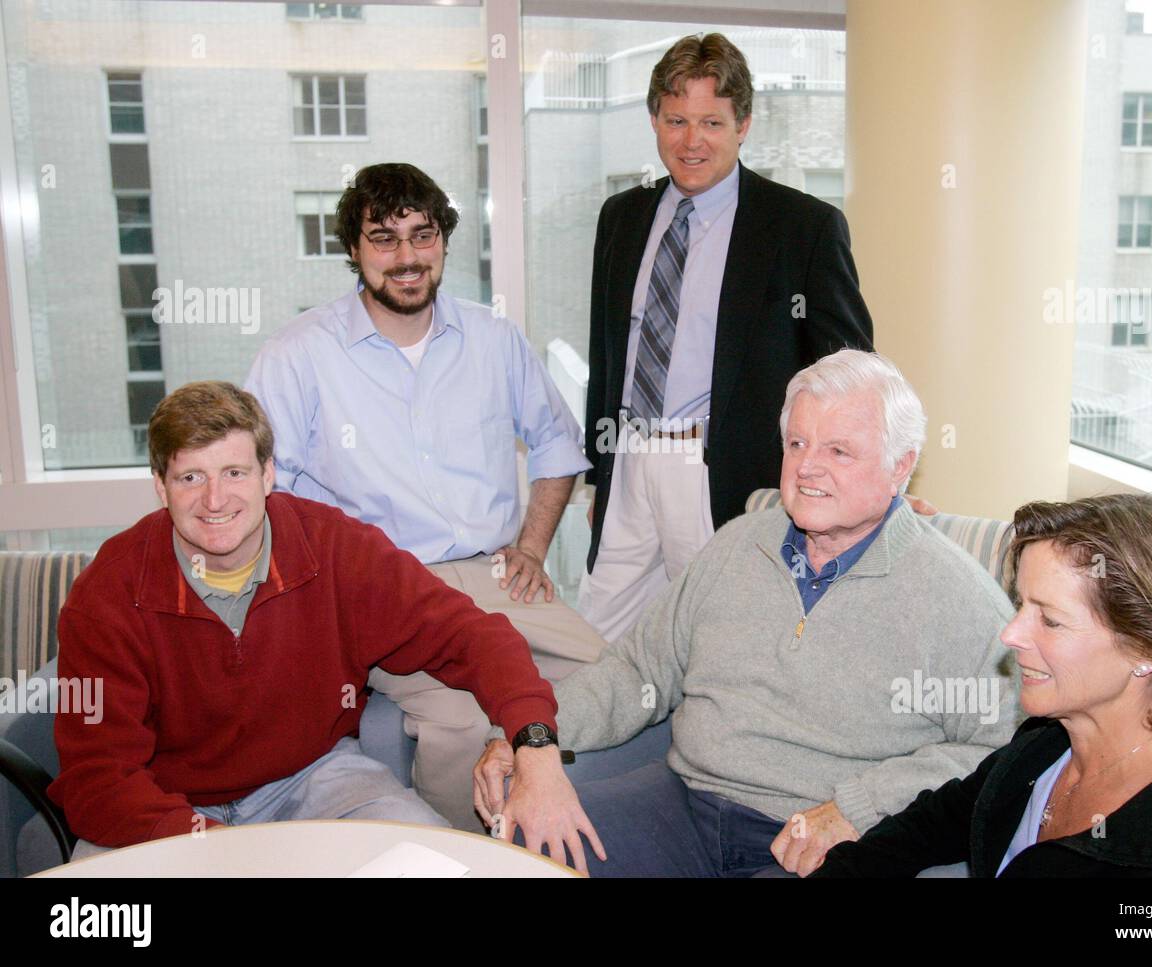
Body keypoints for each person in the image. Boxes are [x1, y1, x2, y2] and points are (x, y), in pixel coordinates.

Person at [477, 350, 1016, 876]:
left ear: (901, 466)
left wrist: (861, 805)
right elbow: (636, 671)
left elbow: (1004, 753)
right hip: (683, 806)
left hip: (815, 843)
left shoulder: (956, 597)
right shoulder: (736, 546)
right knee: (519, 852)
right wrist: (532, 734)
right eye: (798, 443)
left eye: (838, 451)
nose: (808, 468)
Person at [48, 382, 599, 867]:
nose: (214, 500)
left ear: (268, 475)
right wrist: (220, 849)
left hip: (316, 780)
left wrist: (535, 745)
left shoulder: (333, 547)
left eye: (234, 472)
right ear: (160, 487)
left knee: (433, 862)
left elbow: (472, 635)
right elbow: (98, 780)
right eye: (191, 477)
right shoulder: (107, 593)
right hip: (162, 808)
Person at [245, 163, 605, 832]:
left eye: (423, 234)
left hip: (497, 570)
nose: (407, 257)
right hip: (386, 588)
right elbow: (269, 499)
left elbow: (559, 445)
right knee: (460, 720)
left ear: (443, 241)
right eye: (384, 238)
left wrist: (531, 547)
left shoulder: (493, 339)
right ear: (352, 248)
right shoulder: (298, 355)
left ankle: (556, 831)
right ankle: (461, 864)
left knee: (614, 678)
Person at [581, 32, 875, 643]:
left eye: (711, 121)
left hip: (724, 472)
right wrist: (598, 473)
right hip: (629, 459)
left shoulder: (803, 227)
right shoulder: (621, 216)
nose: (692, 141)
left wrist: (864, 480)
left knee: (723, 642)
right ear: (655, 121)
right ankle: (581, 741)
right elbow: (609, 352)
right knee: (600, 640)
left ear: (743, 124)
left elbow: (848, 371)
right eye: (676, 120)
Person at [813, 493, 1152, 877]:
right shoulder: (1045, 747)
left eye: (1050, 619)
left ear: (1148, 649)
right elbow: (928, 826)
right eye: (1021, 605)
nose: (1010, 634)